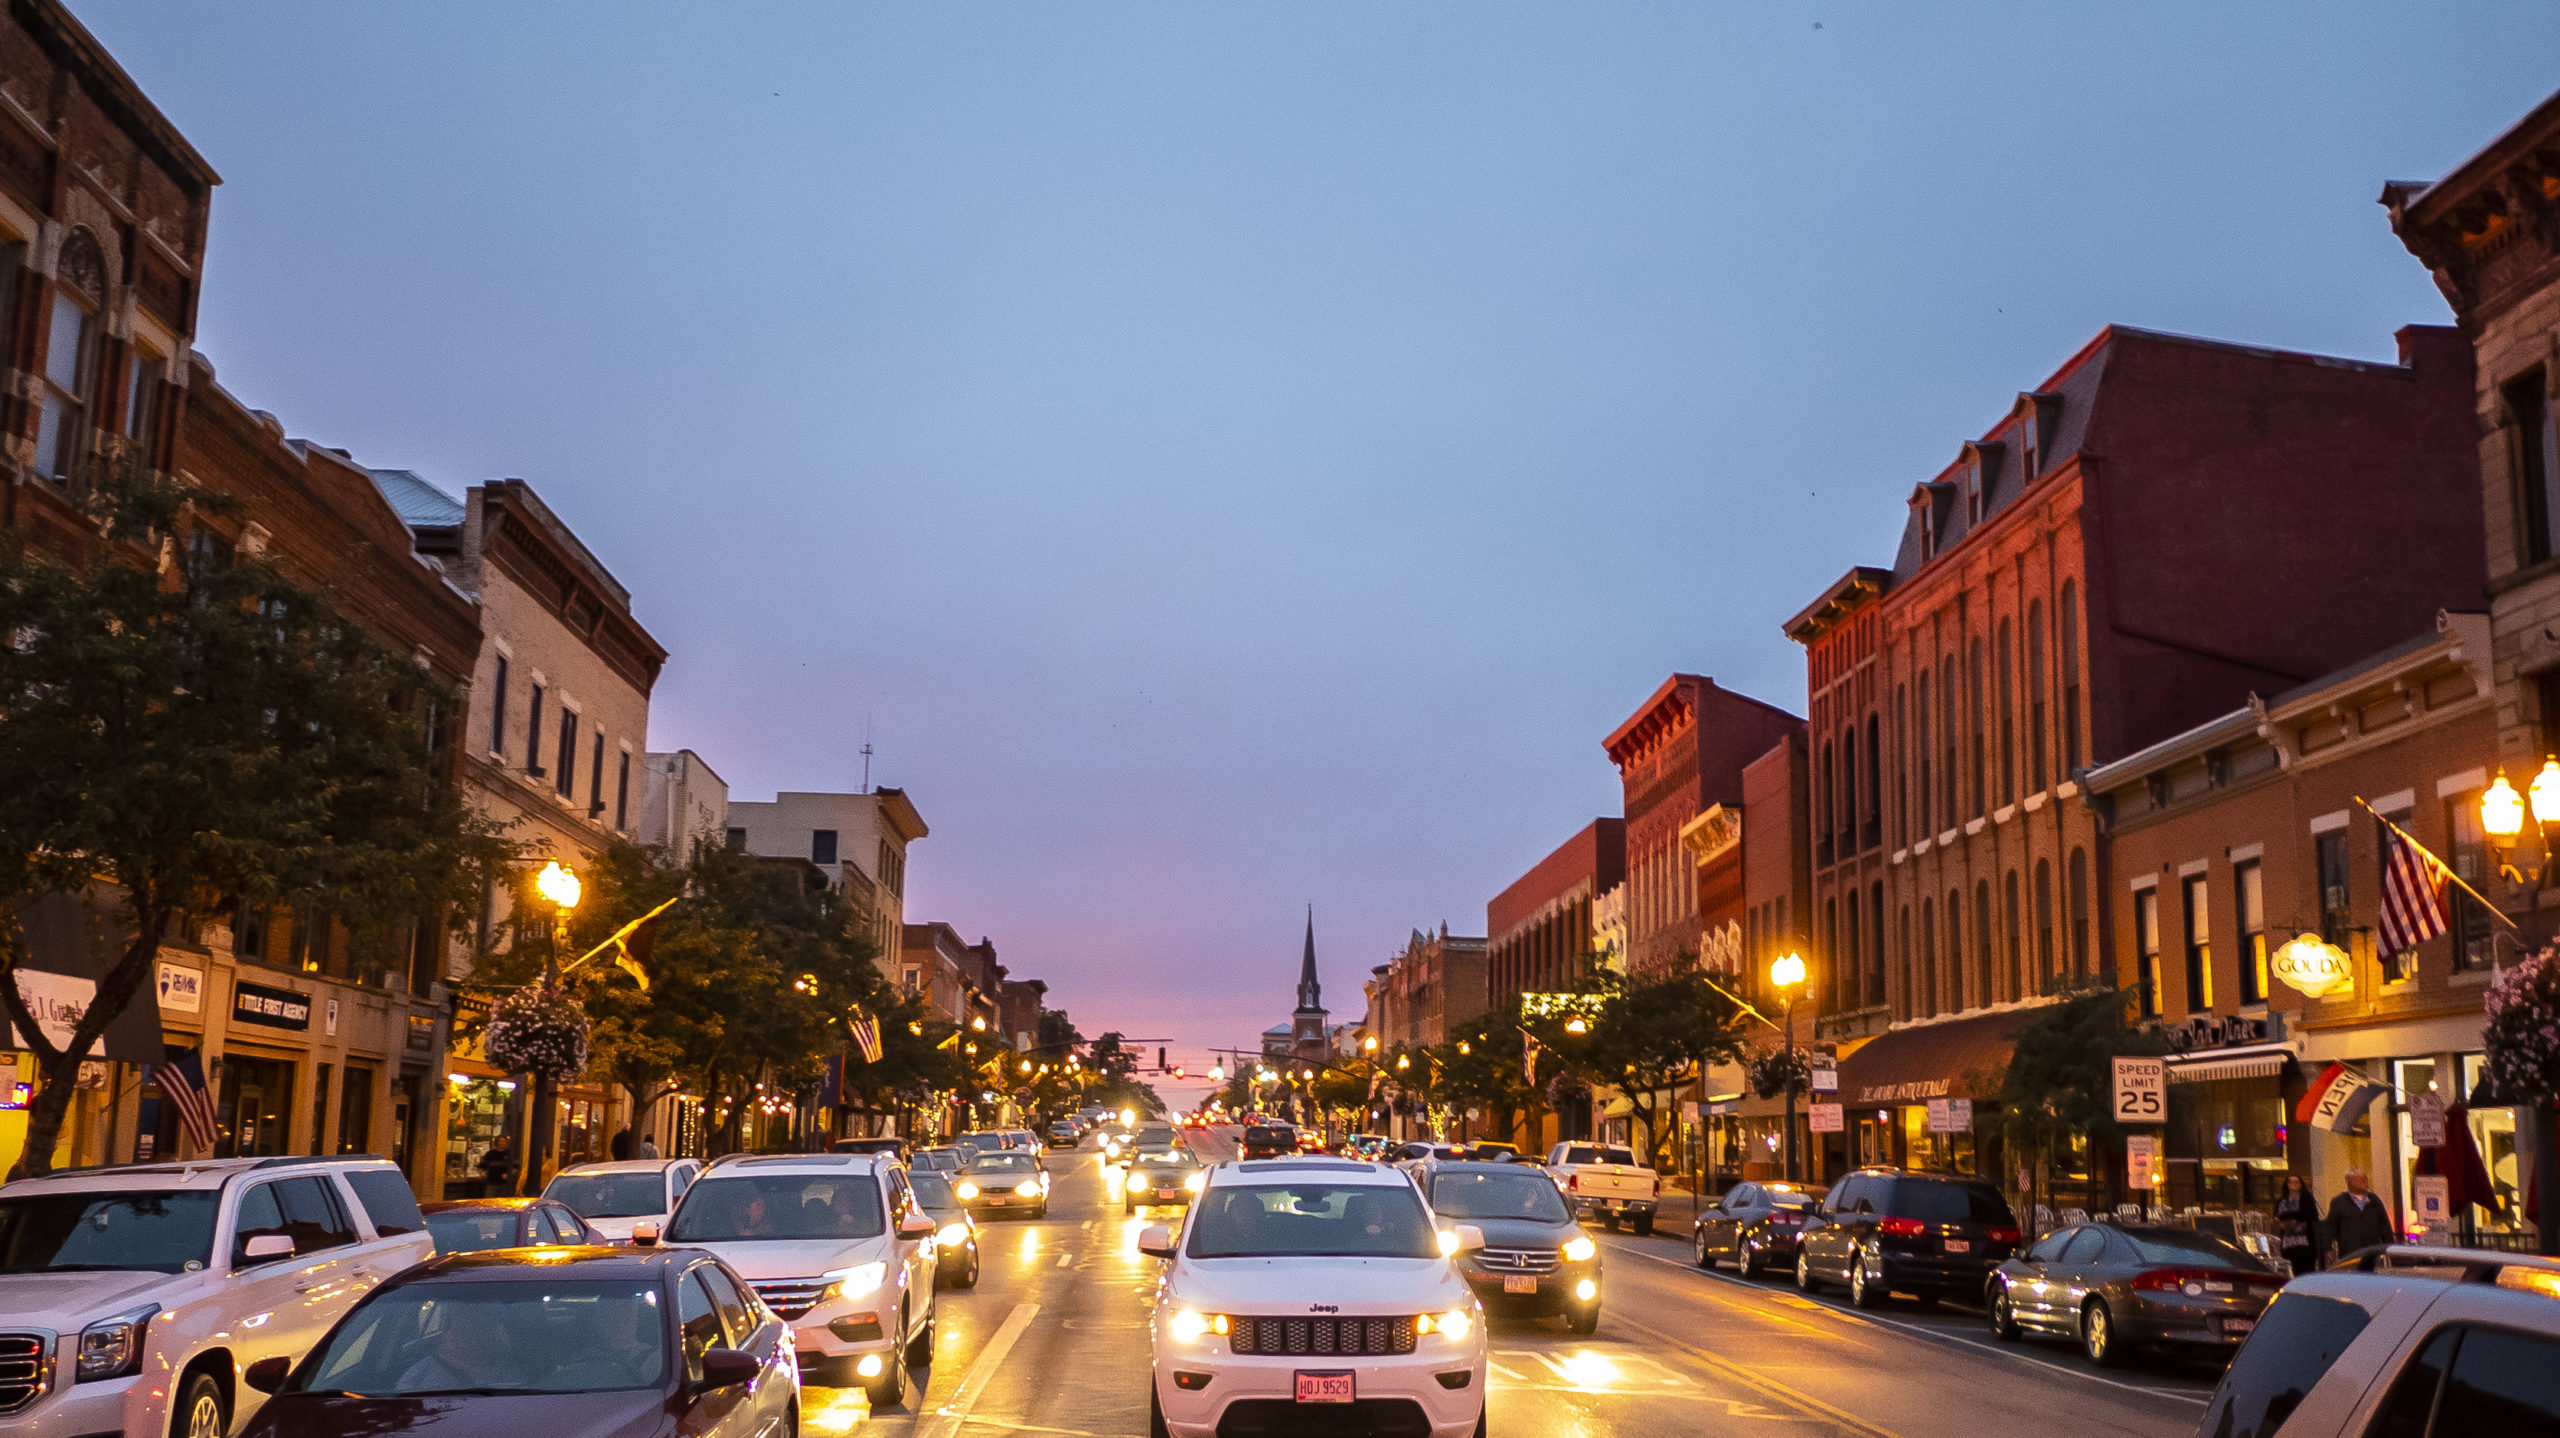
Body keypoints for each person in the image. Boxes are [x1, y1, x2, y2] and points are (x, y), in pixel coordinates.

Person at [2325, 1167, 2394, 1261]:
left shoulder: (2374, 1200)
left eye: (2365, 1178)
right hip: (2349, 1253)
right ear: (2349, 1182)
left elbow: (2384, 1225)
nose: (2365, 1181)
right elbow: (2331, 1227)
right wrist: (2327, 1247)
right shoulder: (2339, 1202)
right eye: (2360, 1179)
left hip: (2372, 1252)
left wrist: (2390, 1246)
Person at [2273, 1174, 2320, 1274]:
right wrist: (2280, 1223)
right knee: (2292, 1272)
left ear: (2301, 1184)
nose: (2293, 1184)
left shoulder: (2307, 1199)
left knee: (2307, 1272)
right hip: (2288, 1244)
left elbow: (2312, 1216)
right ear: (2287, 1184)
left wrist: (2295, 1220)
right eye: (2290, 1182)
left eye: (2296, 1182)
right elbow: (2276, 1217)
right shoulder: (2281, 1201)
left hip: (2305, 1243)